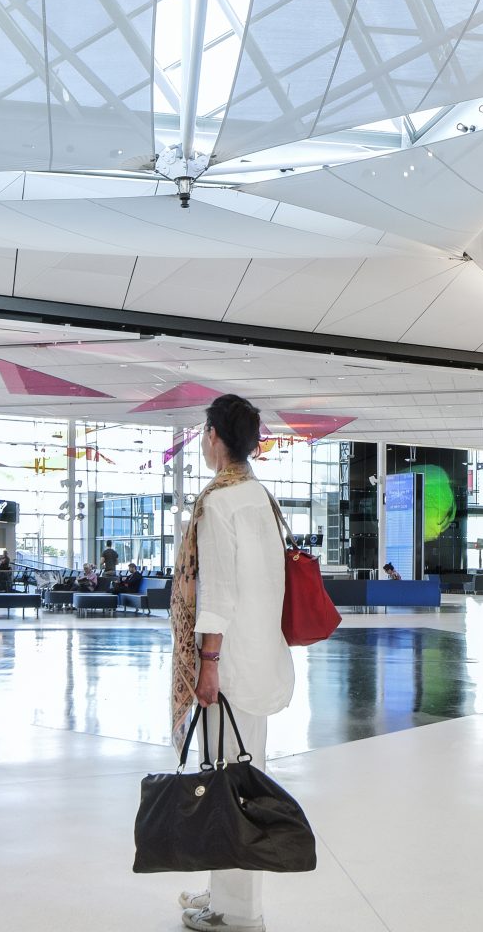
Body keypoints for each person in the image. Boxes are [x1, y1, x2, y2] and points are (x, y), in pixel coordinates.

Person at [170, 394, 295, 932]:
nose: (203, 442)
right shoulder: (259, 496)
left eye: (204, 433)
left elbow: (217, 592)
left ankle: (238, 912)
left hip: (229, 666)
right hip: (260, 656)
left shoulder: (219, 503)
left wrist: (209, 664)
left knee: (231, 786)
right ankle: (224, 894)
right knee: (240, 778)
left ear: (215, 437)